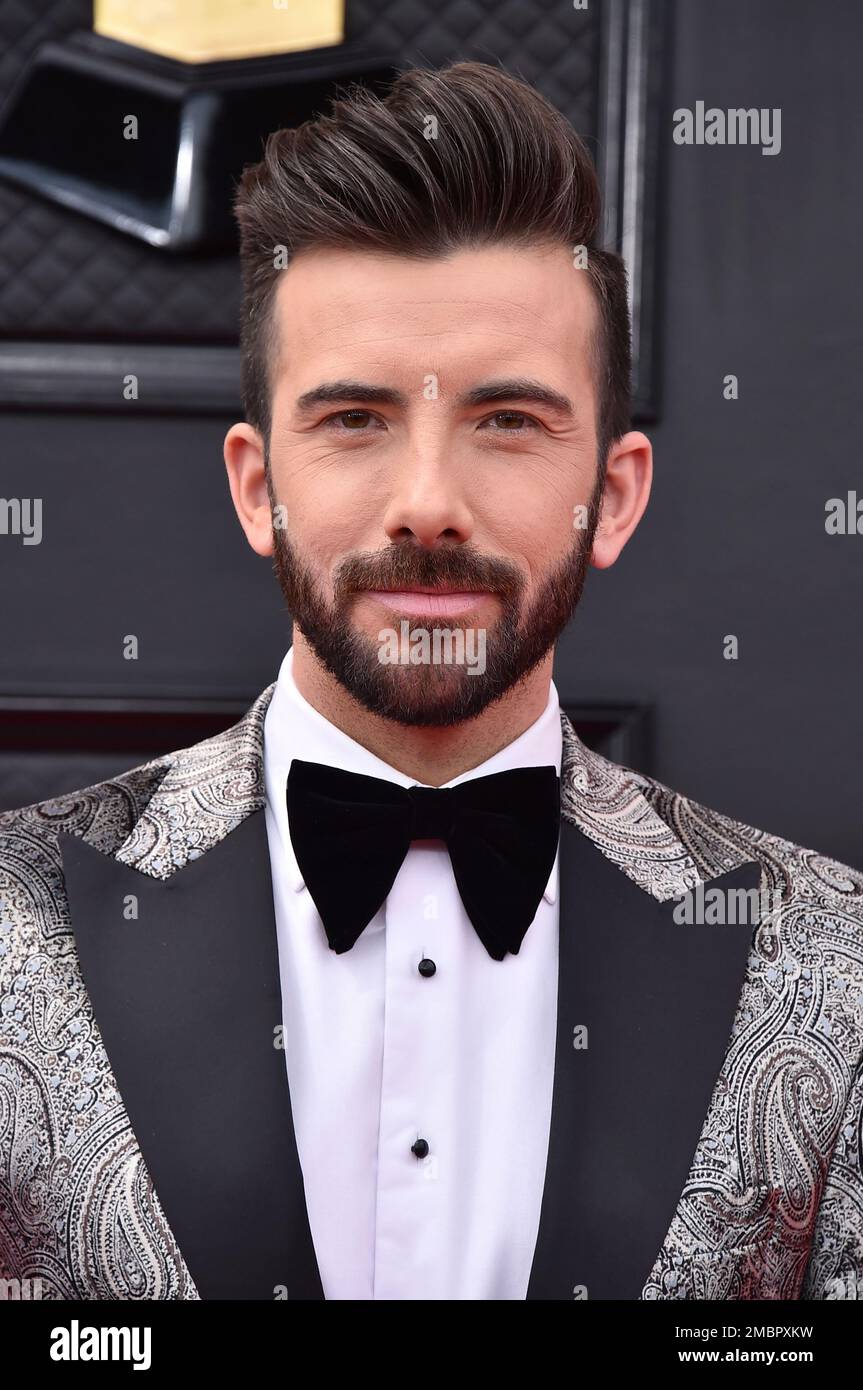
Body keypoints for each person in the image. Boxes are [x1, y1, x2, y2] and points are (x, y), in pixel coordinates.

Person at [1, 60, 861, 1302]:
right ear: (259, 487)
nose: (428, 505)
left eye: (508, 420)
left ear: (611, 495)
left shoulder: (830, 963)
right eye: (352, 419)